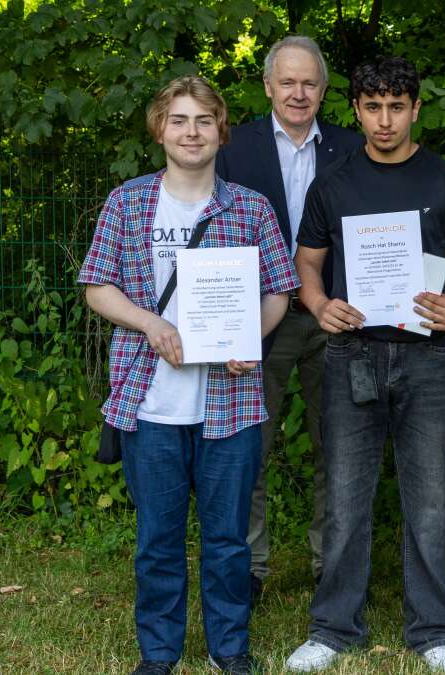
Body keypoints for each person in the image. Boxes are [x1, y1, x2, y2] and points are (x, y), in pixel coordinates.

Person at [78, 75, 298, 675]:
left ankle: (230, 648)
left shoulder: (249, 207)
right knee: (157, 541)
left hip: (230, 402)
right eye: (179, 120)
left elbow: (280, 290)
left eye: (203, 120)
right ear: (160, 130)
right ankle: (159, 653)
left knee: (228, 542)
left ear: (221, 131)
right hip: (148, 404)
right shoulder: (128, 203)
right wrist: (149, 324)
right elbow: (97, 286)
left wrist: (248, 338)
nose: (191, 132)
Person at [283, 56, 445, 674]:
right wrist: (318, 306)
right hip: (352, 353)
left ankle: (433, 632)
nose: (384, 120)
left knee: (427, 501)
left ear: (416, 109)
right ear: (356, 111)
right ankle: (333, 627)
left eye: (397, 106)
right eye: (372, 107)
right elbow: (307, 263)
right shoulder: (335, 184)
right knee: (346, 498)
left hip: (426, 354)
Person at [214, 34, 364, 600]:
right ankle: (250, 566)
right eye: (288, 82)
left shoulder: (352, 148)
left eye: (310, 83)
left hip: (339, 317)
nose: (299, 93)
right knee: (250, 443)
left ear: (324, 90)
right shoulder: (233, 149)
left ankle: (333, 563)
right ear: (268, 86)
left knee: (341, 444)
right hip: (259, 319)